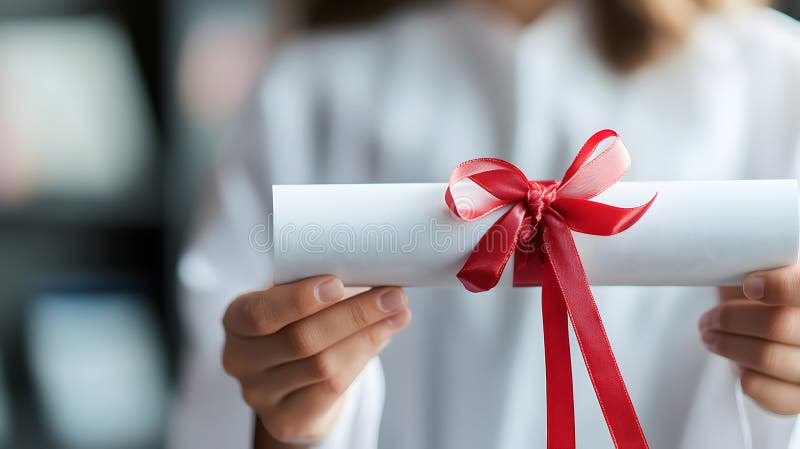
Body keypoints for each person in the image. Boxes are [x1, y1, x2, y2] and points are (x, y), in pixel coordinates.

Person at [167, 0, 800, 448]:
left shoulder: (772, 79)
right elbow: (220, 377)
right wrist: (295, 421)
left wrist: (786, 393)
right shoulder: (309, 88)